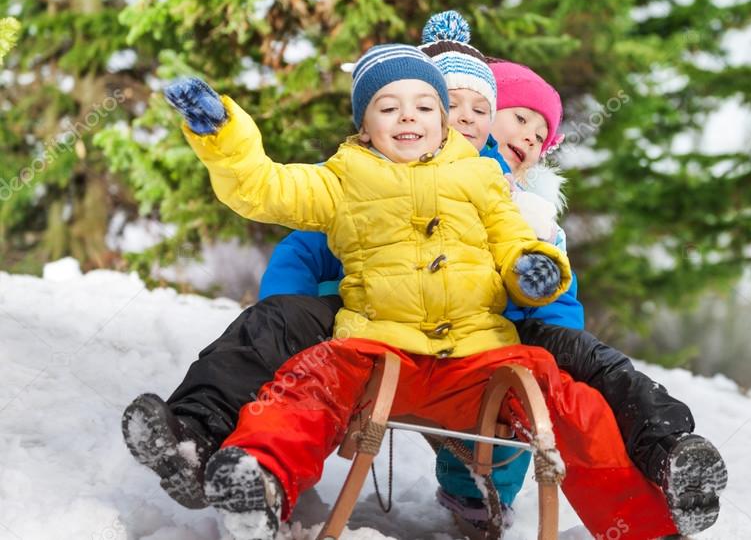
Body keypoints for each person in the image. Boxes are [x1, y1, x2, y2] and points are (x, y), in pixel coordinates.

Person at [139, 42, 683, 539]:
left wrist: (531, 268)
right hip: (377, 350)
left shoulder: (480, 178)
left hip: (479, 356)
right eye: (389, 106)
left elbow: (513, 237)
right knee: (309, 385)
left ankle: (645, 524)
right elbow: (265, 188)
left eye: (424, 107)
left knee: (571, 401)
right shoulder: (343, 179)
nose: (408, 118)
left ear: (443, 119)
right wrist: (224, 139)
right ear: (363, 123)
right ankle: (256, 481)